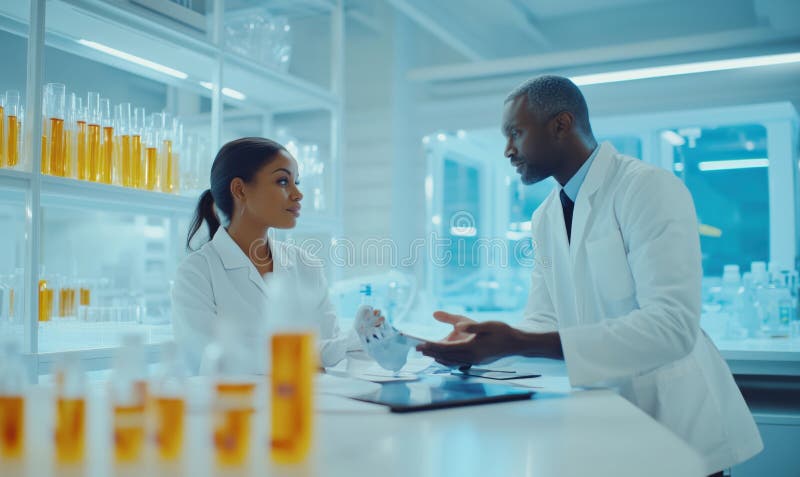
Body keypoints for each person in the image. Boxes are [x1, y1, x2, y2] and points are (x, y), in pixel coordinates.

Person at [417, 75, 763, 476]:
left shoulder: (646, 188)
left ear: (561, 125)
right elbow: (545, 318)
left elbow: (672, 326)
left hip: (676, 423)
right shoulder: (544, 216)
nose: (508, 150)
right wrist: (492, 340)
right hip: (607, 423)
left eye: (515, 133)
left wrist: (518, 341)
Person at [172, 137, 360, 374]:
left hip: (309, 405)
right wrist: (318, 352)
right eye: (283, 181)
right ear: (240, 189)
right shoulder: (197, 273)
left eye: (296, 182)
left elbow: (335, 354)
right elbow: (215, 361)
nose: (298, 194)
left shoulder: (306, 264)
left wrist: (365, 340)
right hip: (236, 408)